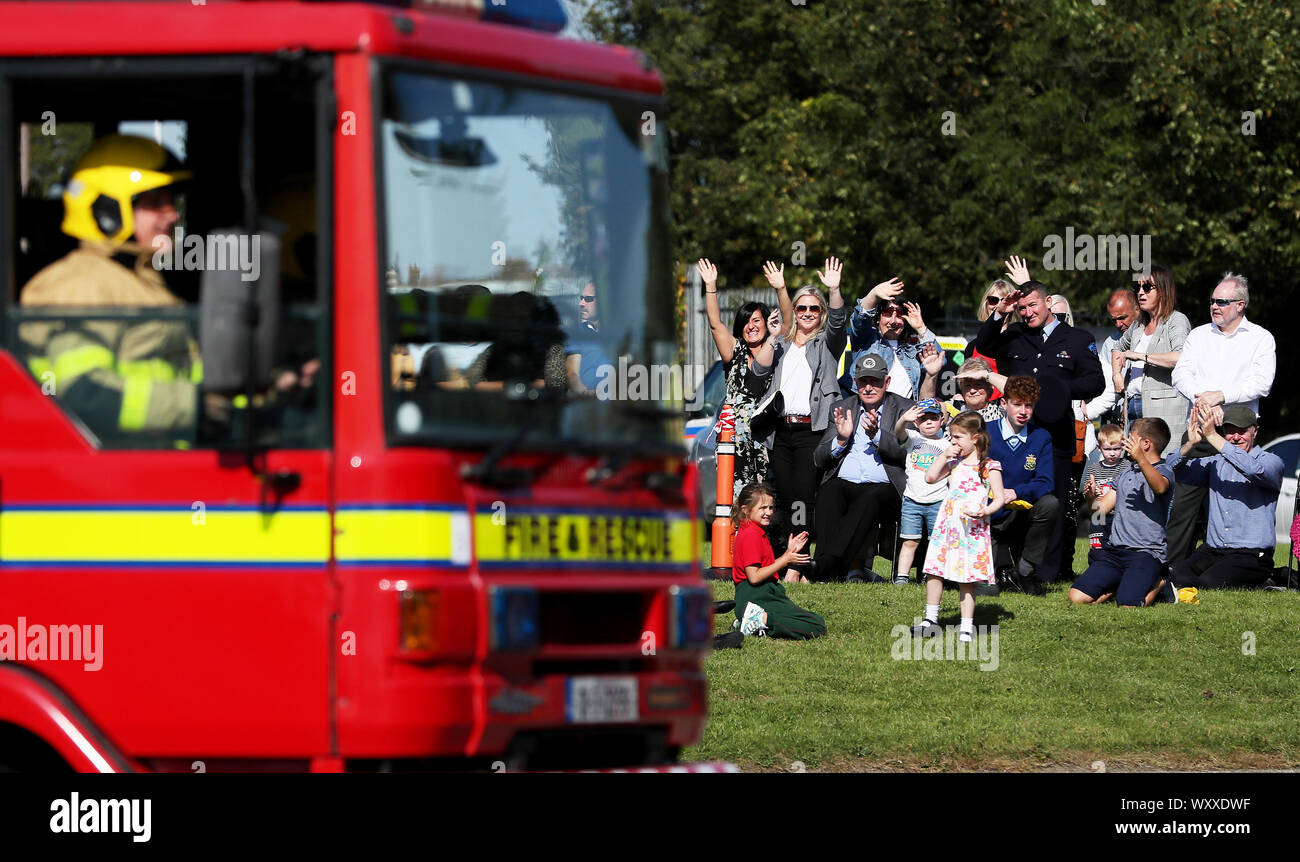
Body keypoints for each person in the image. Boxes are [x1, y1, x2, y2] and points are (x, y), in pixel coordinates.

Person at [19, 134, 203, 444]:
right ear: (107, 213)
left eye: (171, 202)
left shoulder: (140, 281)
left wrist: (256, 394)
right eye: (155, 203)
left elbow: (184, 370)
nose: (172, 214)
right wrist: (200, 408)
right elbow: (86, 396)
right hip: (119, 477)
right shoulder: (78, 284)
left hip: (158, 462)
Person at [974, 256, 1104, 582]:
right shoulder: (1015, 333)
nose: (1029, 312)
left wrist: (1059, 390)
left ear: (1048, 303)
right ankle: (1005, 567)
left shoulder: (1076, 339)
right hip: (1015, 431)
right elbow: (985, 344)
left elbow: (1095, 382)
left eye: (1034, 306)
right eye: (1024, 308)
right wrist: (1002, 310)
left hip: (1055, 434)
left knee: (1052, 503)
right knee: (1008, 496)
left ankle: (1044, 572)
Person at [1166, 272, 1276, 566]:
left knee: (1236, 503)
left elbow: (1261, 384)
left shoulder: (1261, 338)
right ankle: (1173, 569)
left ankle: (1241, 564)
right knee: (1183, 504)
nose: (1215, 306)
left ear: (1240, 305)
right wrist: (1204, 398)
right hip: (1199, 429)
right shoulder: (1199, 335)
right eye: (1212, 301)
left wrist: (1222, 396)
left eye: (1222, 302)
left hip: (1237, 435)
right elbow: (1180, 375)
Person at [751, 258, 848, 574]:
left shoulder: (826, 344)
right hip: (781, 431)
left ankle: (797, 566)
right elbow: (760, 369)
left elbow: (837, 321)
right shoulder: (780, 343)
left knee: (803, 500)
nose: (807, 313)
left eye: (814, 309)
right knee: (786, 498)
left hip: (811, 430)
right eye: (802, 308)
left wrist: (833, 289)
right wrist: (780, 291)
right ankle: (785, 561)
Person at [811, 353, 911, 582]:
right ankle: (829, 568)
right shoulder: (842, 407)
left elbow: (908, 453)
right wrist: (841, 440)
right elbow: (818, 458)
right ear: (855, 383)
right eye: (863, 381)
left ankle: (826, 564)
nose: (868, 387)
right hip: (847, 481)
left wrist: (877, 436)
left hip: (885, 486)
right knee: (830, 491)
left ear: (886, 382)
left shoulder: (903, 409)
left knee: (870, 497)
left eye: (875, 382)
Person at [909, 411, 1005, 642]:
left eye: (958, 437)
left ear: (975, 438)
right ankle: (931, 619)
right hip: (948, 526)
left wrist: (987, 510)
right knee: (934, 570)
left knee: (966, 578)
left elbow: (1000, 497)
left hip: (971, 528)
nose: (953, 442)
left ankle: (966, 625)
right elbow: (930, 477)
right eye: (951, 437)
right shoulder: (953, 463)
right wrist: (943, 456)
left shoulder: (988, 466)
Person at [696, 258, 787, 501]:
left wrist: (780, 288)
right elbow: (715, 324)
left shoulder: (778, 352)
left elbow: (788, 326)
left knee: (766, 501)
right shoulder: (734, 351)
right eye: (746, 322)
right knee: (737, 500)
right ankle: (734, 539)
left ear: (768, 324)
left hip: (768, 439)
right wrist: (711, 286)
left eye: (756, 320)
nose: (751, 326)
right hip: (734, 439)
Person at [1167, 404, 1282, 590]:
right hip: (1214, 550)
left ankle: (1267, 579)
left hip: (1251, 554)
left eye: (1242, 431)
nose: (1236, 438)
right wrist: (1189, 445)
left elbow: (1254, 470)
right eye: (1230, 432)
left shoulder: (1271, 461)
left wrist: (1213, 436)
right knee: (1175, 580)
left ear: (1255, 432)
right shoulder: (1215, 463)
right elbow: (1170, 472)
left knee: (1209, 584)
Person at [1068, 418, 1175, 607]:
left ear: (1146, 444)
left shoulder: (1165, 470)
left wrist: (1141, 458)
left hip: (1146, 553)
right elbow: (1100, 511)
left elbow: (1159, 487)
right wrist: (1091, 498)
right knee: (1076, 597)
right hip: (1115, 551)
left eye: (1131, 436)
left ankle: (1161, 582)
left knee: (1128, 604)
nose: (1125, 440)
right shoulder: (1126, 473)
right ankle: (1125, 582)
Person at [986, 376, 1058, 594]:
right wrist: (997, 495)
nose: (1023, 411)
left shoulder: (1041, 437)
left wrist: (1015, 492)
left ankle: (1027, 568)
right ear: (1003, 403)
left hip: (1022, 509)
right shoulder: (985, 432)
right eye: (1017, 404)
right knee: (989, 584)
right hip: (988, 510)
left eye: (1029, 405)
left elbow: (1046, 482)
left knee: (1050, 504)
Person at [730, 482, 826, 639]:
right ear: (745, 510)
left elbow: (764, 566)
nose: (768, 512)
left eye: (770, 507)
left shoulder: (754, 530)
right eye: (762, 508)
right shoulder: (750, 535)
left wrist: (788, 552)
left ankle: (749, 622)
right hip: (755, 595)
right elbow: (754, 577)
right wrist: (786, 559)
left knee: (812, 620)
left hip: (762, 595)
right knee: (816, 626)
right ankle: (759, 619)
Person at [1110, 266, 1191, 451]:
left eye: (1147, 288)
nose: (1140, 293)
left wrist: (1140, 356)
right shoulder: (1139, 324)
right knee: (1136, 464)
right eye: (1137, 287)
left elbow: (1180, 357)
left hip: (1163, 409)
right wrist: (1117, 375)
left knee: (1161, 465)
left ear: (1163, 290)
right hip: (1134, 405)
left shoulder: (1176, 320)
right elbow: (1117, 348)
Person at [838, 276, 938, 400]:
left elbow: (938, 360)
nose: (893, 321)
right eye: (887, 313)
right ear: (878, 317)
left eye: (900, 315)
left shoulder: (913, 351)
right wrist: (874, 294)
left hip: (902, 416)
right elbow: (860, 319)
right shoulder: (867, 341)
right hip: (865, 415)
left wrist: (921, 327)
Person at [893, 398, 949, 585]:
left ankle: (934, 576)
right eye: (924, 418)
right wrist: (904, 419)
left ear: (942, 420)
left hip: (938, 500)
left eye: (934, 417)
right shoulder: (913, 438)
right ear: (916, 422)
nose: (929, 422)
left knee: (936, 542)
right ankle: (902, 577)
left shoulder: (947, 445)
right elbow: (898, 432)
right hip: (912, 500)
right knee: (910, 541)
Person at [1083, 287, 1139, 426]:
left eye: (1122, 318)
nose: (1118, 324)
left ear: (1137, 309)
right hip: (1115, 417)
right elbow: (1105, 385)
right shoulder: (1110, 343)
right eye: (1114, 320)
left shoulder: (1151, 338)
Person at [1079, 424, 1126, 563]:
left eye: (1117, 449)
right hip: (1098, 514)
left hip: (1119, 515)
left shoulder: (1126, 466)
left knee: (1118, 547)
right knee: (1097, 546)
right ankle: (1095, 567)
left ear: (1123, 446)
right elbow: (1089, 497)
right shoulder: (1094, 469)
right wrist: (1092, 492)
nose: (1112, 453)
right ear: (1100, 449)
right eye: (1107, 449)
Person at [971, 278, 1019, 400]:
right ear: (986, 303)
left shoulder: (1020, 339)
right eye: (993, 300)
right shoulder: (973, 345)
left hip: (1011, 404)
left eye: (1004, 300)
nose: (999, 305)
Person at [564, 282, 614, 392]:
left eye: (588, 299)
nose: (581, 303)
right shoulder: (578, 333)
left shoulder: (621, 333)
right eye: (581, 298)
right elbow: (572, 373)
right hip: (588, 403)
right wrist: (586, 394)